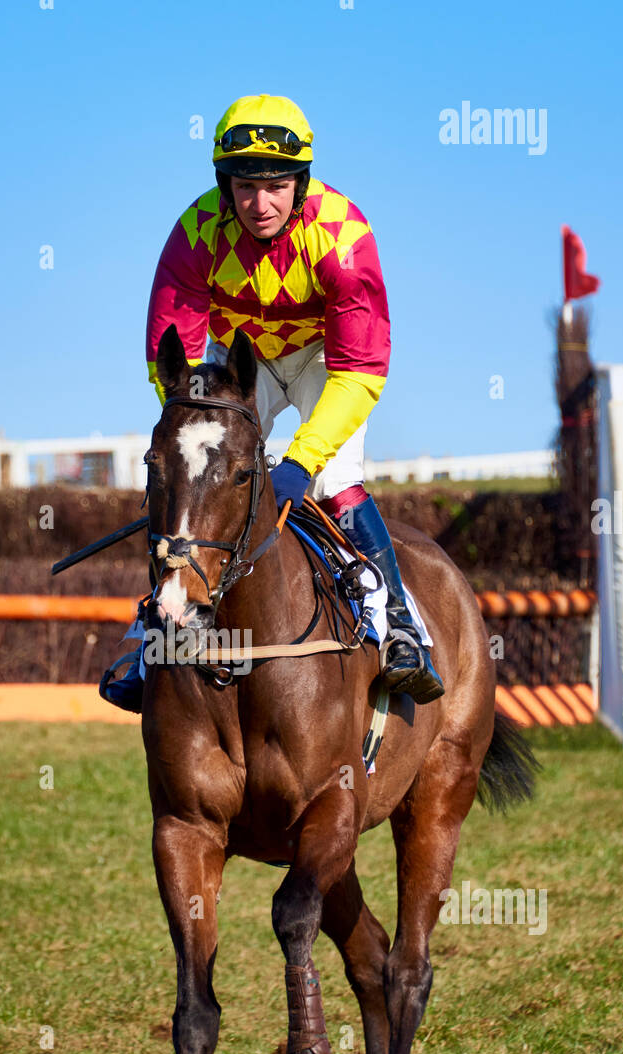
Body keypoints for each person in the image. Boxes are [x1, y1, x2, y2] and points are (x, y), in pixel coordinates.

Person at [100, 94, 443, 711]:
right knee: (196, 470)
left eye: (276, 186)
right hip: (240, 361)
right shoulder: (195, 232)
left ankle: (400, 627)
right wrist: (198, 429)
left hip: (326, 363)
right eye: (243, 187)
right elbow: (168, 358)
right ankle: (153, 634)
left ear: (300, 183)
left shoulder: (343, 234)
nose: (259, 205)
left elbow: (361, 372)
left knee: (337, 479)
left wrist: (301, 461)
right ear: (223, 185)